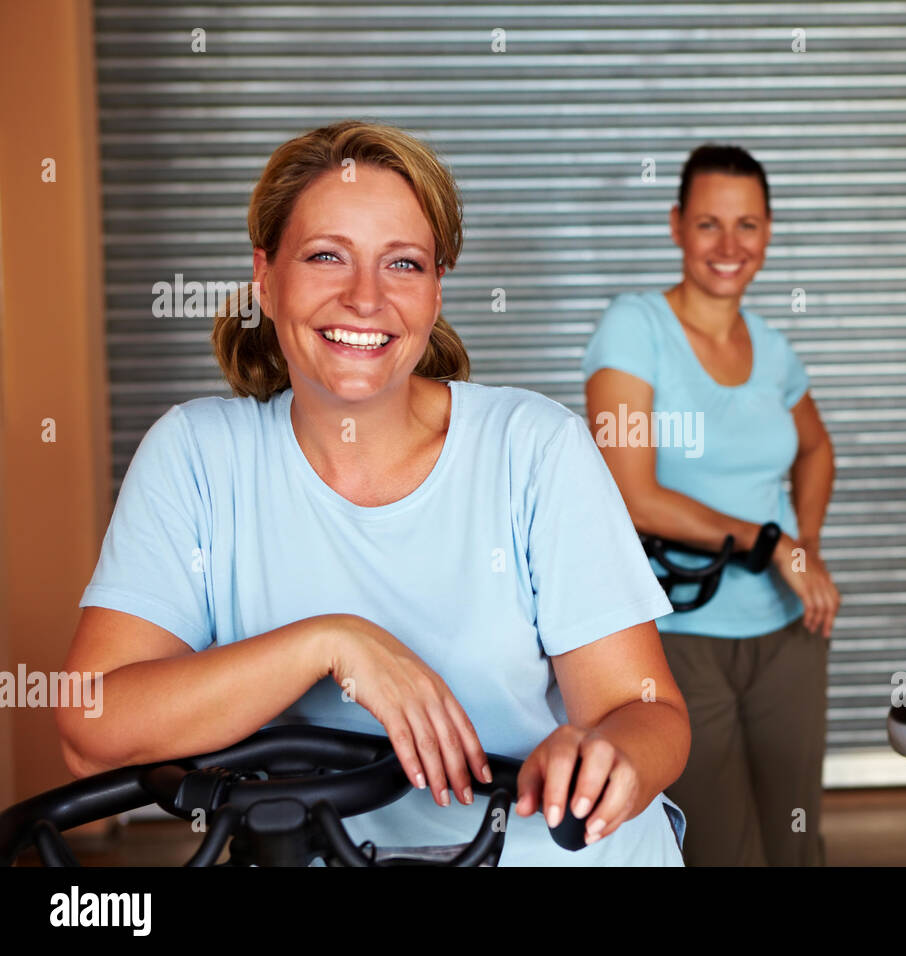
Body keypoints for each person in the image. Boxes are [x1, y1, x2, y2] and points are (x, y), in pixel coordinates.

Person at [55, 120, 690, 866]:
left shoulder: (534, 447)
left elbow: (649, 714)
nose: (366, 298)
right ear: (265, 274)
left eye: (403, 264)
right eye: (328, 256)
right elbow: (90, 728)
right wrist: (331, 643)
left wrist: (610, 753)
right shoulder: (197, 456)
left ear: (434, 290)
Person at [581, 144, 840, 866]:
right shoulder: (633, 330)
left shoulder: (774, 347)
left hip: (789, 634)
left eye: (748, 225)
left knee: (796, 843)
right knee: (721, 849)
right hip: (679, 634)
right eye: (708, 225)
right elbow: (629, 495)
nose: (730, 246)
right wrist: (774, 543)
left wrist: (806, 546)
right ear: (675, 226)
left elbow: (817, 450)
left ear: (769, 231)